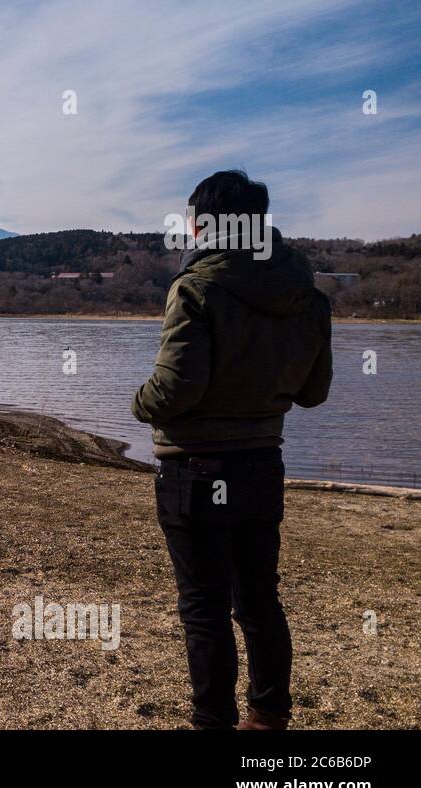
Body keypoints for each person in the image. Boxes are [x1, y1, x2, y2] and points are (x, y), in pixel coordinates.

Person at [133, 170, 333, 730]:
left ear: (205, 223)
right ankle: (269, 718)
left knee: (204, 607)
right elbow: (314, 393)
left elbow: (175, 390)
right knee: (259, 599)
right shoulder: (308, 296)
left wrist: (139, 403)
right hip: (261, 464)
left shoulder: (197, 287)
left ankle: (212, 724)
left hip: (194, 467)